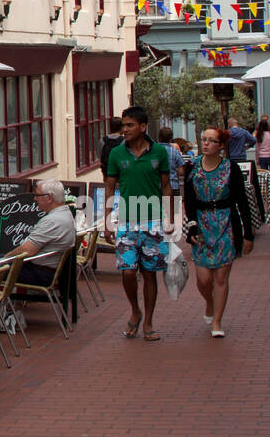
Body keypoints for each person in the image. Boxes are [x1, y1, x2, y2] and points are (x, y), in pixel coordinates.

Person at [103, 105, 174, 342]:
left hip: (153, 221)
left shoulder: (159, 153)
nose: (125, 130)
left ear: (143, 127)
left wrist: (170, 218)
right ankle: (135, 309)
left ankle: (150, 321)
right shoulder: (116, 154)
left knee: (150, 273)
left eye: (130, 125)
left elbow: (166, 185)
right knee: (127, 271)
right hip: (126, 221)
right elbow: (110, 187)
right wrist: (106, 220)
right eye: (123, 125)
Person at [182, 128, 255, 337]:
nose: (205, 144)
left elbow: (242, 201)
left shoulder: (230, 168)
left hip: (225, 224)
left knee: (221, 277)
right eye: (203, 140)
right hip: (202, 224)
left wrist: (248, 234)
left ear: (221, 146)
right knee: (203, 279)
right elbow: (189, 199)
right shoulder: (192, 168)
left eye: (211, 141)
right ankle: (209, 302)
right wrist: (192, 224)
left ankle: (217, 322)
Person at [11, 178, 78, 286]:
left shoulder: (52, 221)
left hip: (40, 273)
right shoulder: (66, 213)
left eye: (37, 195)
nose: (35, 199)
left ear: (50, 198)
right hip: (48, 270)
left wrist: (5, 259)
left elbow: (26, 251)